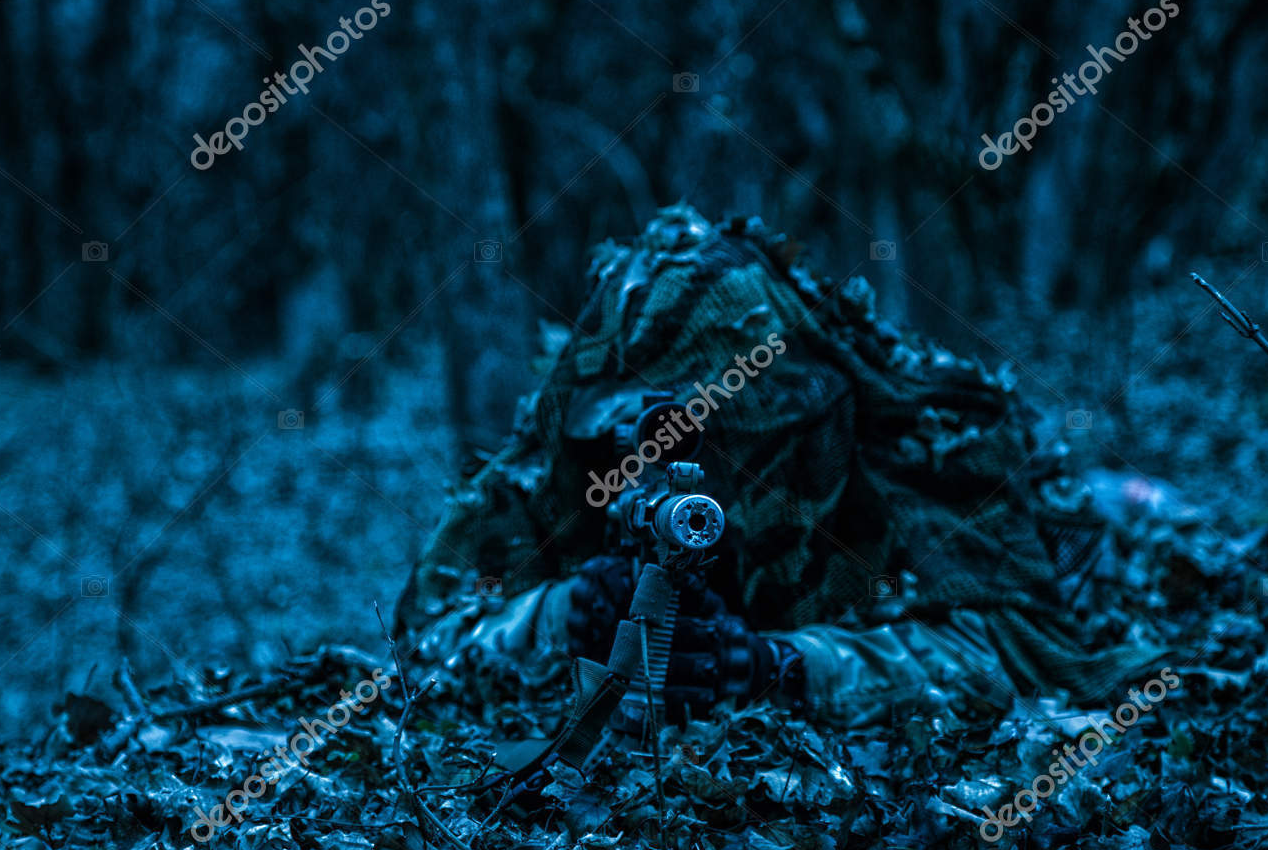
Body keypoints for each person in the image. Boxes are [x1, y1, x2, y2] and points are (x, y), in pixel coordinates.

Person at [395, 205, 1164, 728]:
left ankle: (1149, 501)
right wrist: (563, 617)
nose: (707, 470)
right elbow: (427, 635)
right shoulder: (567, 446)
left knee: (1143, 522)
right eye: (664, 440)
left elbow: (1026, 650)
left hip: (1070, 513)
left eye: (739, 435)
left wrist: (781, 666)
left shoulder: (931, 435)